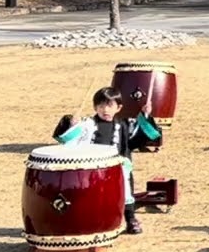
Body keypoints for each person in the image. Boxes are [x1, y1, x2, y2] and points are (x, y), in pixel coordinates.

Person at [51, 87, 162, 234]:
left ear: (119, 107)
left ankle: (130, 218)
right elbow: (65, 139)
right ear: (95, 107)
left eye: (110, 105)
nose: (105, 110)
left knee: (125, 190)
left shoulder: (124, 125)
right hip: (91, 169)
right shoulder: (86, 125)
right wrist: (72, 125)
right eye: (101, 106)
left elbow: (140, 138)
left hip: (117, 168)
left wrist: (145, 115)